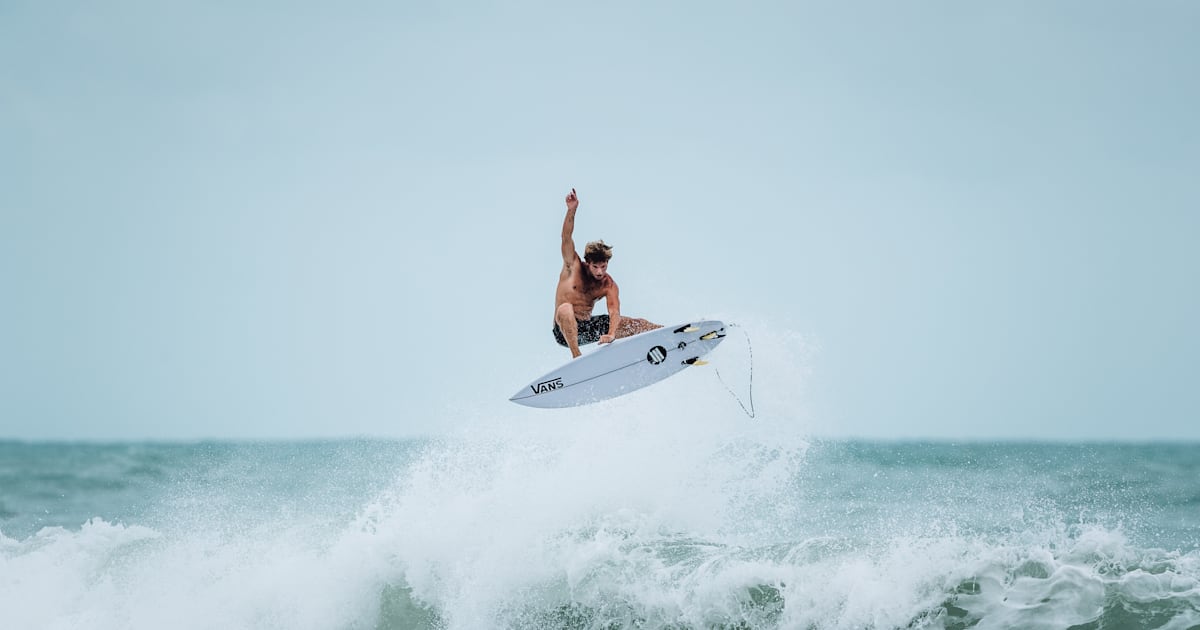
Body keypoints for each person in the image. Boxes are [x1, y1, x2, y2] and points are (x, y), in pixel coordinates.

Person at [553, 188, 661, 358]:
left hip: (588, 328)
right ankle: (577, 357)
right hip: (563, 332)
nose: (600, 272)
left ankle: (671, 334)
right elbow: (566, 237)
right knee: (565, 308)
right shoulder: (572, 266)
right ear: (587, 263)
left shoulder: (608, 284)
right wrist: (571, 210)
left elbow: (614, 311)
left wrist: (611, 334)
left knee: (637, 324)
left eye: (603, 267)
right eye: (595, 267)